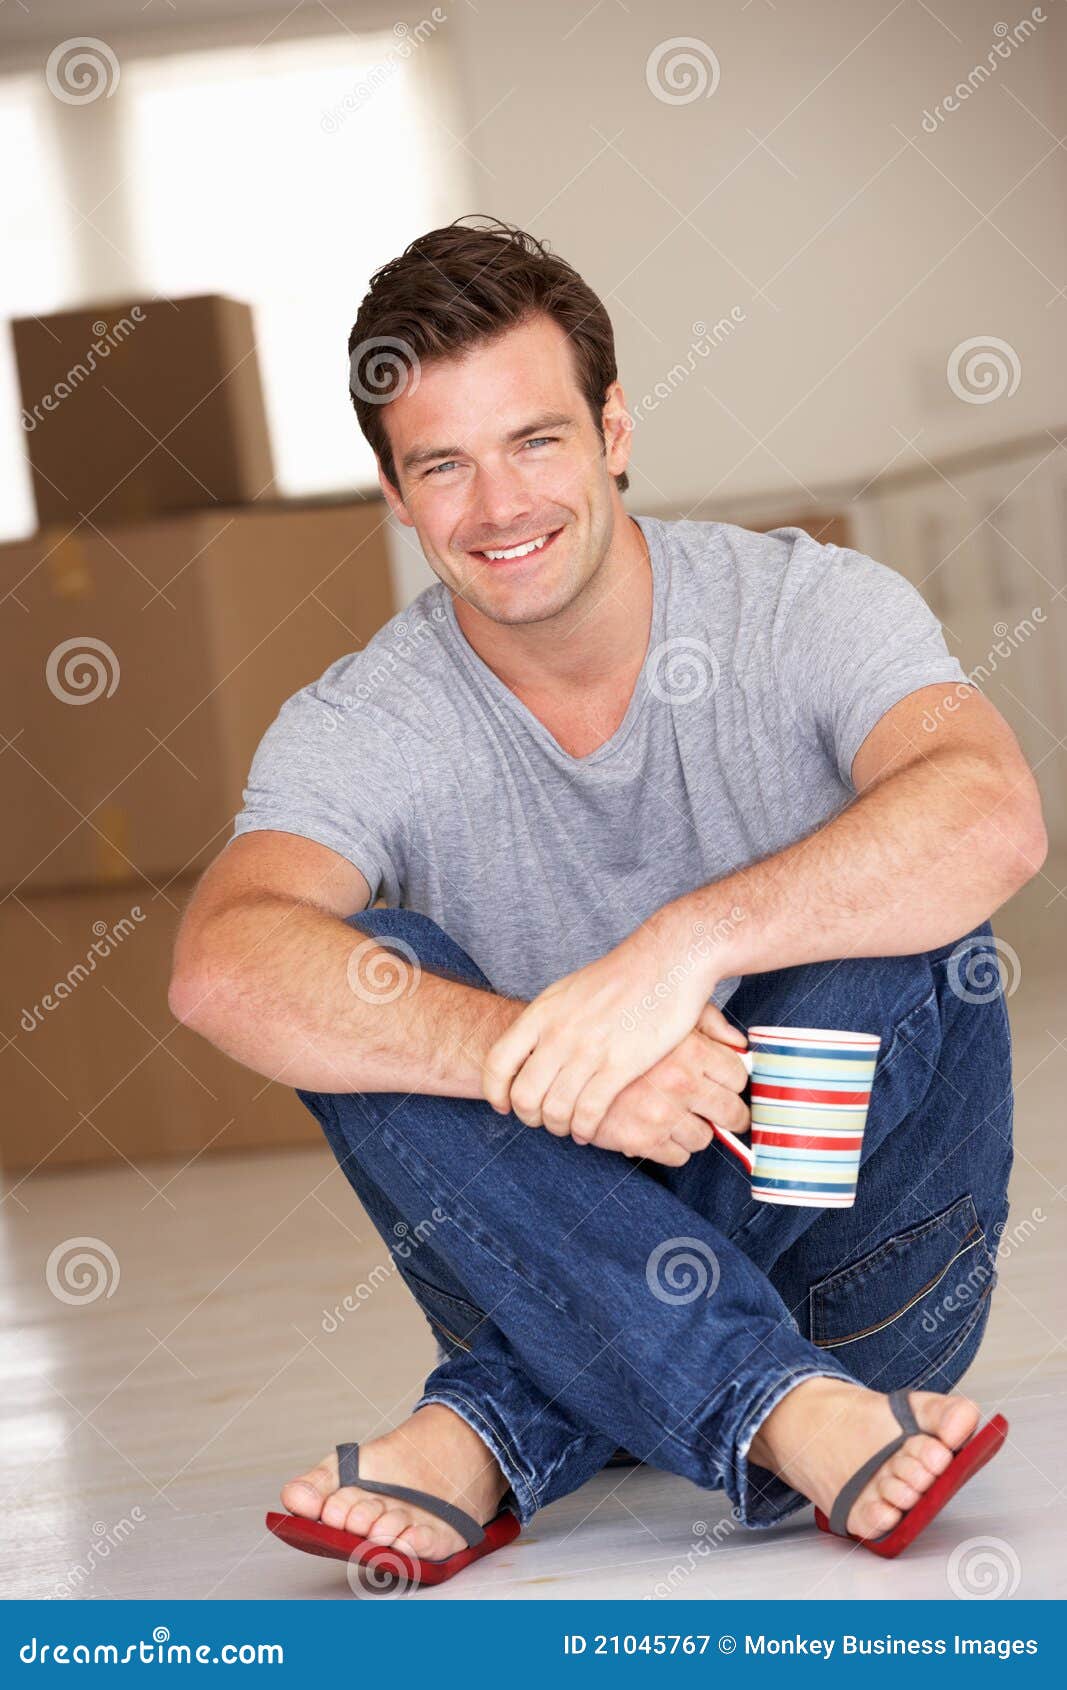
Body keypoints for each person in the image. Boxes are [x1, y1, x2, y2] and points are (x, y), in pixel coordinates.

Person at [170, 217, 1046, 1573]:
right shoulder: (367, 720)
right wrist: (534, 1063)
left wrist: (668, 963)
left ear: (614, 426)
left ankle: (500, 1426)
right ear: (396, 499)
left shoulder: (800, 608)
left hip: (852, 1300)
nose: (500, 504)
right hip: (709, 1342)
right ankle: (773, 1403)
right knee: (365, 964)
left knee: (910, 933)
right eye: (443, 466)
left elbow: (992, 812)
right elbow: (222, 964)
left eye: (535, 441)